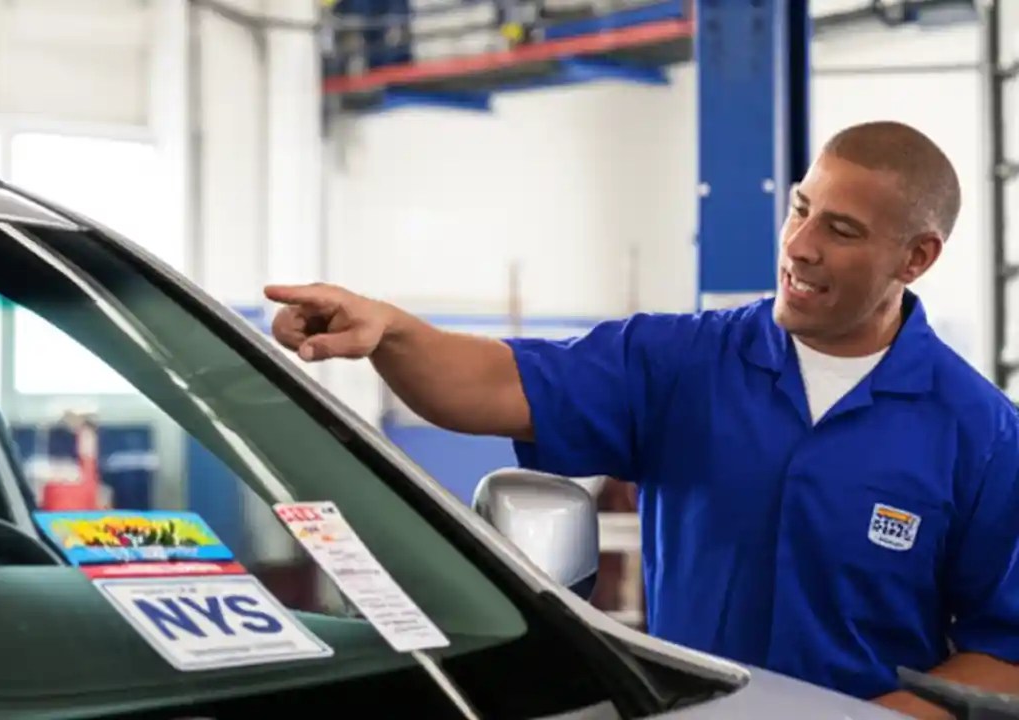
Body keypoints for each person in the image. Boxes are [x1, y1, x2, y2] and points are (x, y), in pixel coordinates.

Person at [264, 121, 1019, 719]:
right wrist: (393, 332)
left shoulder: (980, 434)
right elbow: (493, 382)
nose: (799, 246)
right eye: (800, 208)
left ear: (916, 257)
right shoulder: (680, 362)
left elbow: (1005, 655)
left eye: (842, 231)